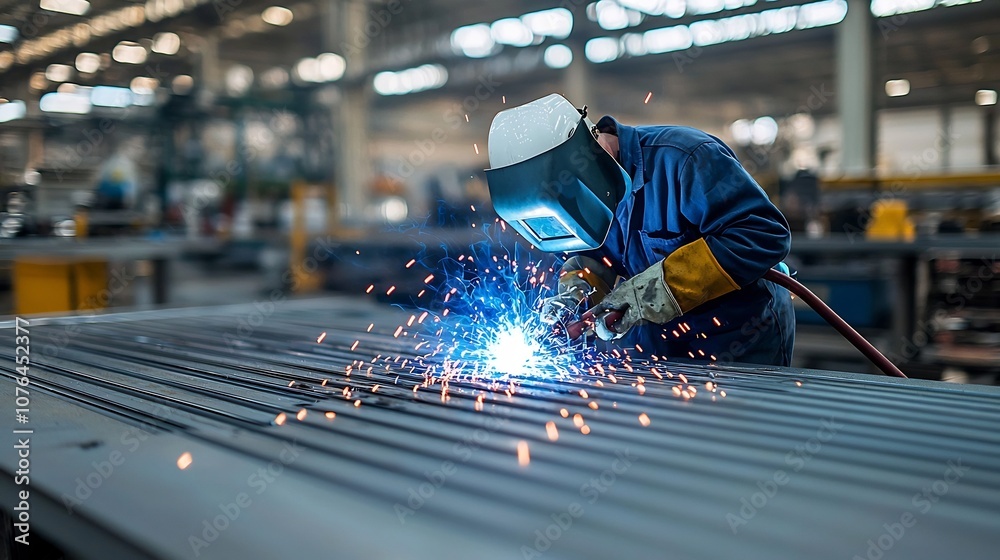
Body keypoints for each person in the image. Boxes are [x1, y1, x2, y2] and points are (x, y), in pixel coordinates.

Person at [485, 93, 794, 366]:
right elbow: (594, 257)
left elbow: (763, 235)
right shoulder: (583, 195)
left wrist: (653, 290)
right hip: (659, 341)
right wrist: (575, 296)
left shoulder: (686, 158)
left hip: (738, 337)